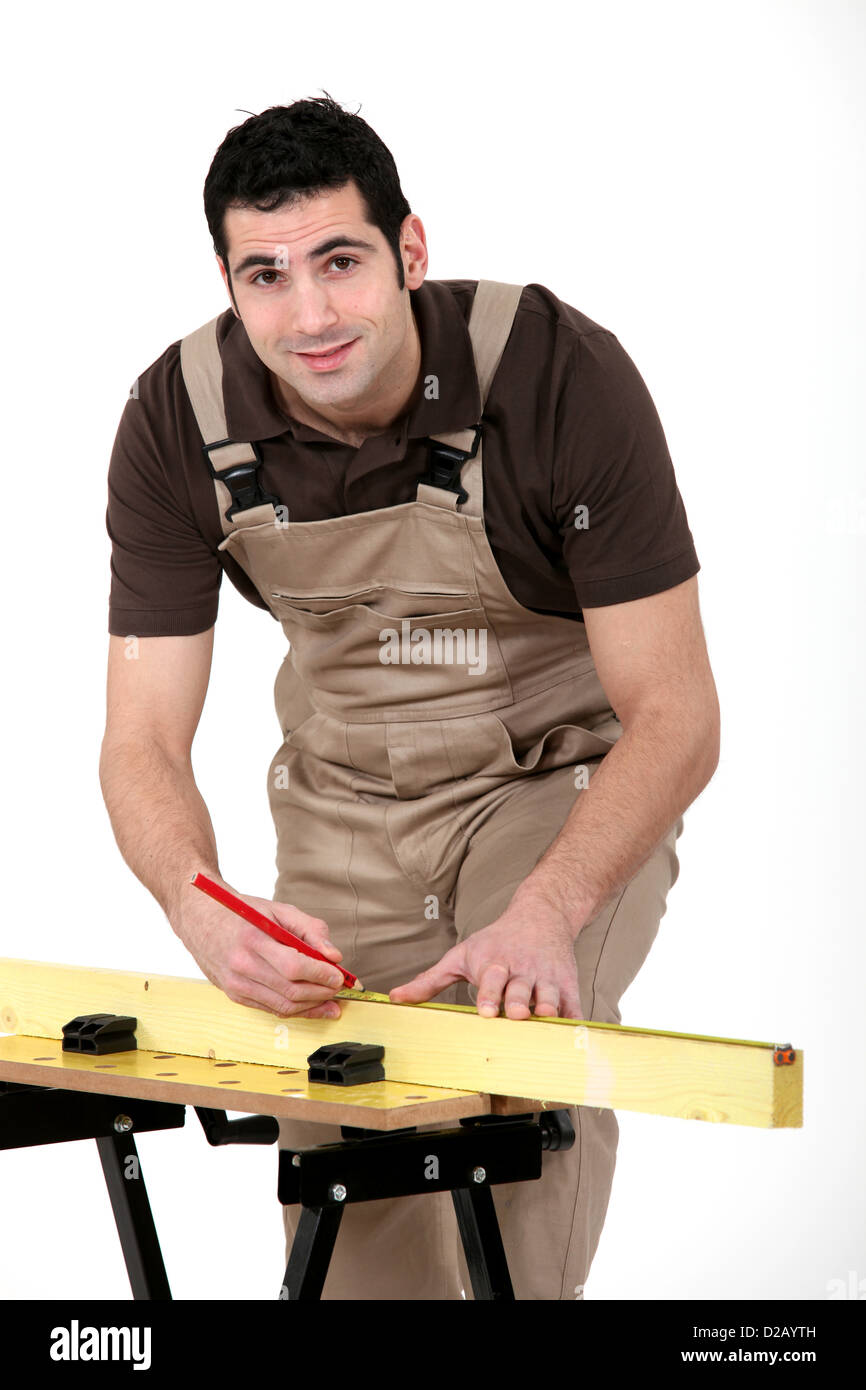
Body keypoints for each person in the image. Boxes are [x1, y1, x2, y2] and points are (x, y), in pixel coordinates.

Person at [100, 95, 720, 1300]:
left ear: (410, 251)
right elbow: (140, 737)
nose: (310, 313)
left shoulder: (553, 375)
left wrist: (549, 908)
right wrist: (202, 902)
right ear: (227, 282)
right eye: (265, 275)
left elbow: (677, 714)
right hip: (340, 809)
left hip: (551, 788)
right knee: (351, 1180)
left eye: (340, 261)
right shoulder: (177, 422)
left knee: (513, 1085)